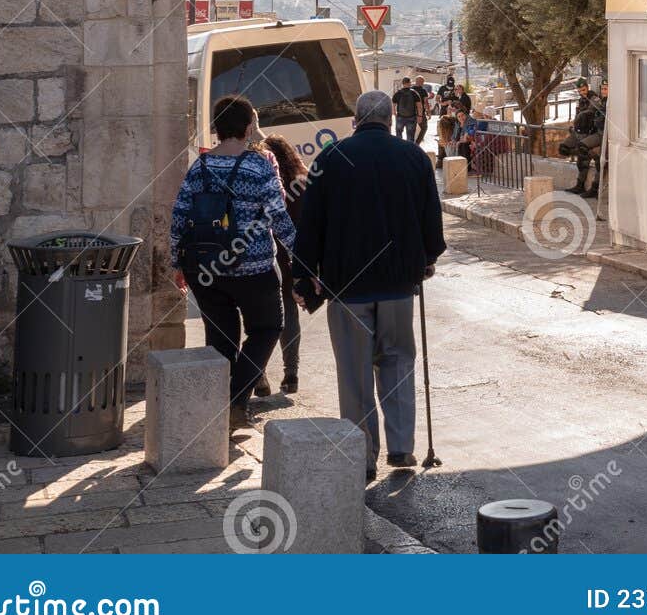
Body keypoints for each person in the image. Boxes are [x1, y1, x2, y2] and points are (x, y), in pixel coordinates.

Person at [293, 89, 446, 482]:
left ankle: (363, 456)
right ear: (391, 120)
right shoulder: (414, 158)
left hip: (347, 288)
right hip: (398, 285)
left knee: (354, 372)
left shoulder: (330, 159)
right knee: (397, 362)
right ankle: (401, 448)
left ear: (355, 121)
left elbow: (310, 226)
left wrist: (302, 272)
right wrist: (427, 259)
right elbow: (432, 221)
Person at [170, 94, 296, 431]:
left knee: (220, 339)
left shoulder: (201, 166)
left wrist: (176, 262)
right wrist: (300, 256)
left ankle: (221, 413)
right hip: (252, 267)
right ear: (247, 126)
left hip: (207, 269)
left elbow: (180, 214)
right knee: (267, 328)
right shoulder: (258, 166)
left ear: (217, 127)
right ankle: (235, 402)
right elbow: (278, 214)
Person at [254, 134, 309, 398]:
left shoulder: (264, 182)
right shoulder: (302, 183)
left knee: (259, 319)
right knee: (290, 316)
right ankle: (291, 374)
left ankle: (259, 375)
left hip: (266, 254)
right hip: (291, 258)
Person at [570, 79, 605, 197]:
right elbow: (578, 117)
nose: (582, 92)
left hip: (594, 135)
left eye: (583, 90)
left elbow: (589, 114)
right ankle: (580, 185)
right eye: (579, 91)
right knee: (582, 160)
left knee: (599, 162)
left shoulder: (594, 99)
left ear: (587, 87)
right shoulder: (581, 101)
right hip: (584, 135)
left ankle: (595, 189)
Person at [393, 75, 421, 141]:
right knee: (410, 136)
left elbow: (393, 105)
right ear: (409, 83)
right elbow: (419, 106)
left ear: (403, 83)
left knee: (398, 136)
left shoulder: (398, 93)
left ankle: (399, 149)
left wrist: (395, 113)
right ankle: (409, 150)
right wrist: (420, 116)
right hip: (411, 117)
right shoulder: (414, 92)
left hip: (400, 116)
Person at [412, 75, 431, 144]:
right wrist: (429, 112)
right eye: (423, 82)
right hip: (420, 113)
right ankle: (417, 143)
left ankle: (411, 143)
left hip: (410, 113)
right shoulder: (423, 91)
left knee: (412, 129)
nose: (423, 83)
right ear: (420, 82)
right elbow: (426, 102)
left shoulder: (410, 89)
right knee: (424, 127)